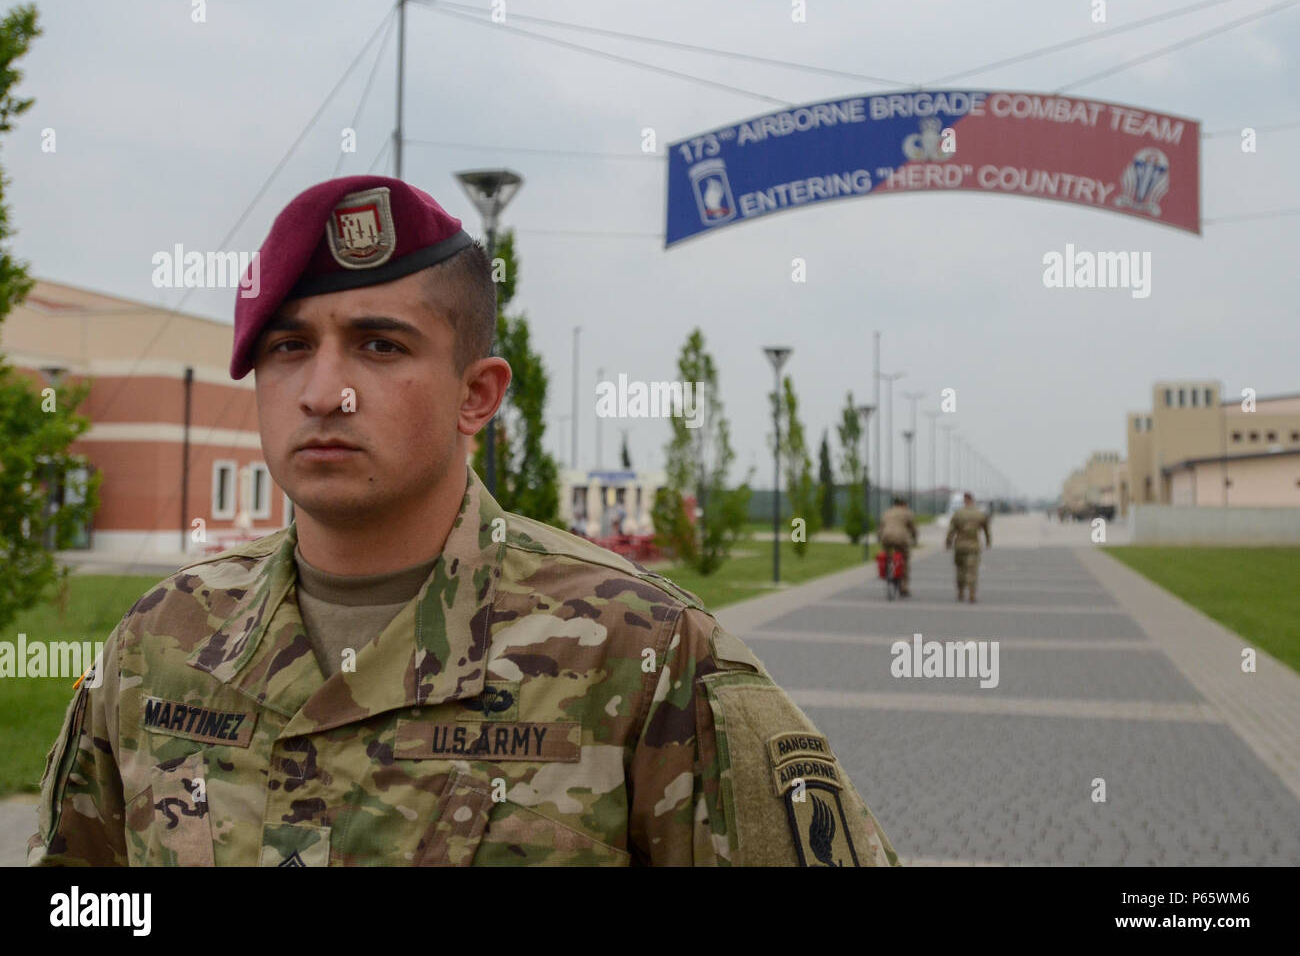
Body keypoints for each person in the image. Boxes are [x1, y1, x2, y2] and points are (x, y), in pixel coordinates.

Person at [28, 175, 897, 868]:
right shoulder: (161, 643)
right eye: (288, 347)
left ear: (476, 395)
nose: (324, 391)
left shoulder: (642, 653)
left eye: (380, 346)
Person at [945, 491, 991, 603]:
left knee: (960, 570)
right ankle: (972, 593)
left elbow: (951, 530)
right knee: (972, 570)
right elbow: (986, 530)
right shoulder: (979, 514)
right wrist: (988, 541)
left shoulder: (958, 513)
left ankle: (960, 592)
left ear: (964, 500)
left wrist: (948, 543)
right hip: (973, 546)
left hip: (960, 546)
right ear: (972, 499)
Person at [878, 496, 918, 597]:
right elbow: (913, 528)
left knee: (887, 555)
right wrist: (914, 539)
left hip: (886, 538)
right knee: (904, 560)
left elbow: (880, 527)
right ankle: (904, 587)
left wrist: (880, 538)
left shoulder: (887, 512)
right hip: (900, 539)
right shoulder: (907, 513)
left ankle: (888, 572)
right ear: (903, 504)